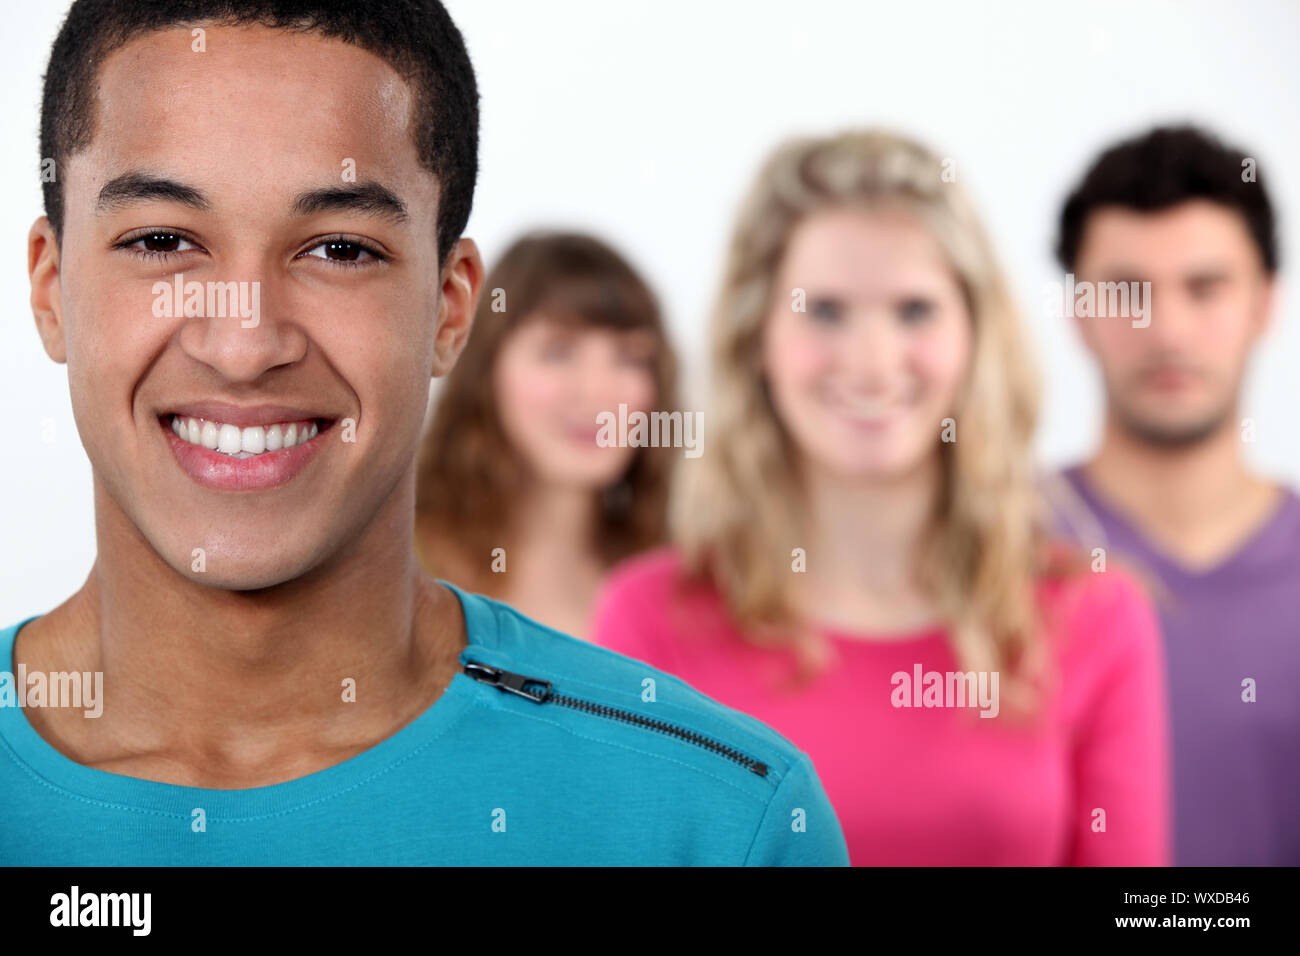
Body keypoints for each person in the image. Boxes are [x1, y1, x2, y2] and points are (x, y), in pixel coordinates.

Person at [1, 0, 847, 866]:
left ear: (450, 310)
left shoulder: (717, 822)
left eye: (339, 250)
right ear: (50, 286)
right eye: (163, 240)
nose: (244, 343)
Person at [592, 129, 1171, 865]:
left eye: (914, 311)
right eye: (826, 312)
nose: (871, 363)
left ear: (974, 336)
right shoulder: (648, 622)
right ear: (757, 338)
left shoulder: (1096, 618)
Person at [1048, 124, 1300, 866]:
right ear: (1078, 311)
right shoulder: (992, 556)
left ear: (1264, 304)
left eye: (1206, 287)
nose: (1167, 330)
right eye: (1128, 292)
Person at [415, 231, 678, 640]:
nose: (598, 390)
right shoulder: (402, 565)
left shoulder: (682, 588)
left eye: (629, 358)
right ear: (486, 370)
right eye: (559, 351)